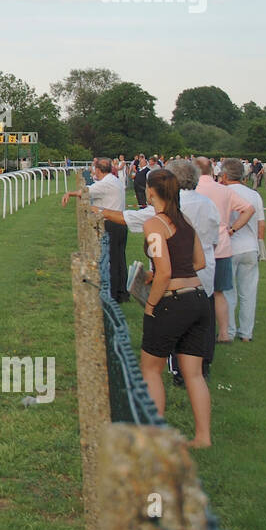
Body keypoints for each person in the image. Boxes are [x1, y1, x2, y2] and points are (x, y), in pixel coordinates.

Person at [94, 158, 219, 381]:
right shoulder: (207, 203)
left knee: (162, 348)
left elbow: (128, 218)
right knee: (200, 339)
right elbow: (211, 242)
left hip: (174, 285)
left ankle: (176, 370)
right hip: (203, 278)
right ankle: (203, 365)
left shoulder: (166, 213)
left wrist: (98, 210)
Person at [136, 169, 213, 447]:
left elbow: (165, 271)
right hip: (199, 299)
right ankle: (203, 437)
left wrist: (151, 305)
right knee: (193, 373)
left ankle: (153, 438)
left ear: (151, 191)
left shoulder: (154, 225)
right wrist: (159, 276)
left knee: (151, 370)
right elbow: (199, 262)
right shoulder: (186, 221)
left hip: (173, 301)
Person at [194, 157, 253, 343]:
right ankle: (224, 332)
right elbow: (248, 209)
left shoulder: (192, 190)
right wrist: (232, 229)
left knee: (197, 291)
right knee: (219, 292)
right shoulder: (224, 190)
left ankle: (200, 330)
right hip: (222, 245)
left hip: (199, 247)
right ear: (212, 169)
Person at [62, 157, 128, 301]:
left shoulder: (105, 184)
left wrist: (69, 193)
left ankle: (114, 295)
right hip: (121, 223)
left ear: (98, 170)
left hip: (111, 223)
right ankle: (122, 293)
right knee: (120, 259)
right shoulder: (115, 180)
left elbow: (84, 192)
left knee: (111, 260)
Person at [221, 158, 265, 341]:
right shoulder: (254, 195)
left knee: (228, 292)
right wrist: (260, 245)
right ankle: (246, 332)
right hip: (250, 247)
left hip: (230, 247)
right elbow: (261, 224)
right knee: (248, 293)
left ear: (224, 175)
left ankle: (229, 331)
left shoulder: (223, 193)